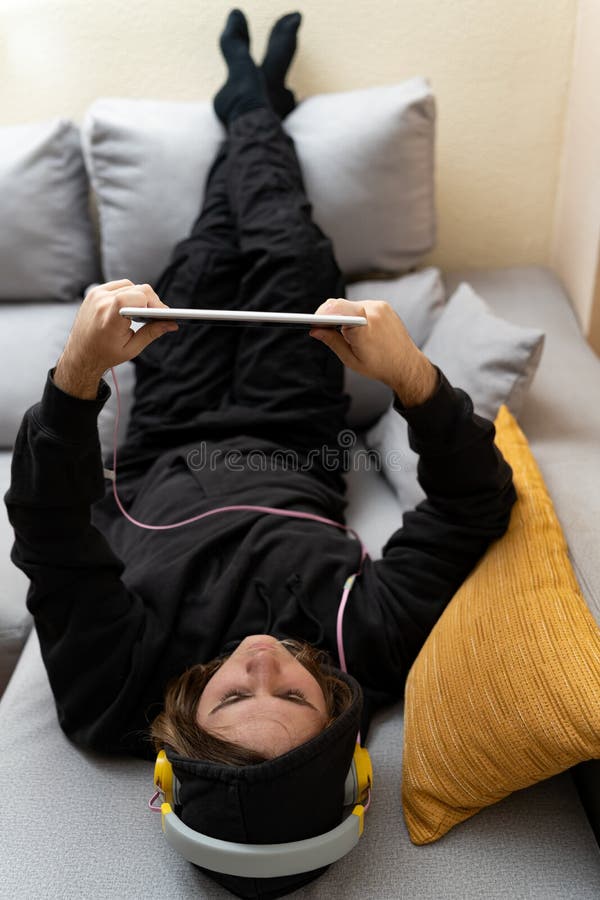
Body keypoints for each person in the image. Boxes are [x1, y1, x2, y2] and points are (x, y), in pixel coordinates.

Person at [5, 9, 517, 900]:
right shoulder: (365, 647)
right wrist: (413, 378)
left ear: (175, 747)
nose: (264, 668)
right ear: (345, 737)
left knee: (207, 245)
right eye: (294, 700)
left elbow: (48, 528)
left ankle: (248, 95)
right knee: (281, 233)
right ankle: (255, 100)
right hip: (291, 428)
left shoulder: (110, 694)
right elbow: (477, 506)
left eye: (234, 701)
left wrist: (76, 376)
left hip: (164, 430)